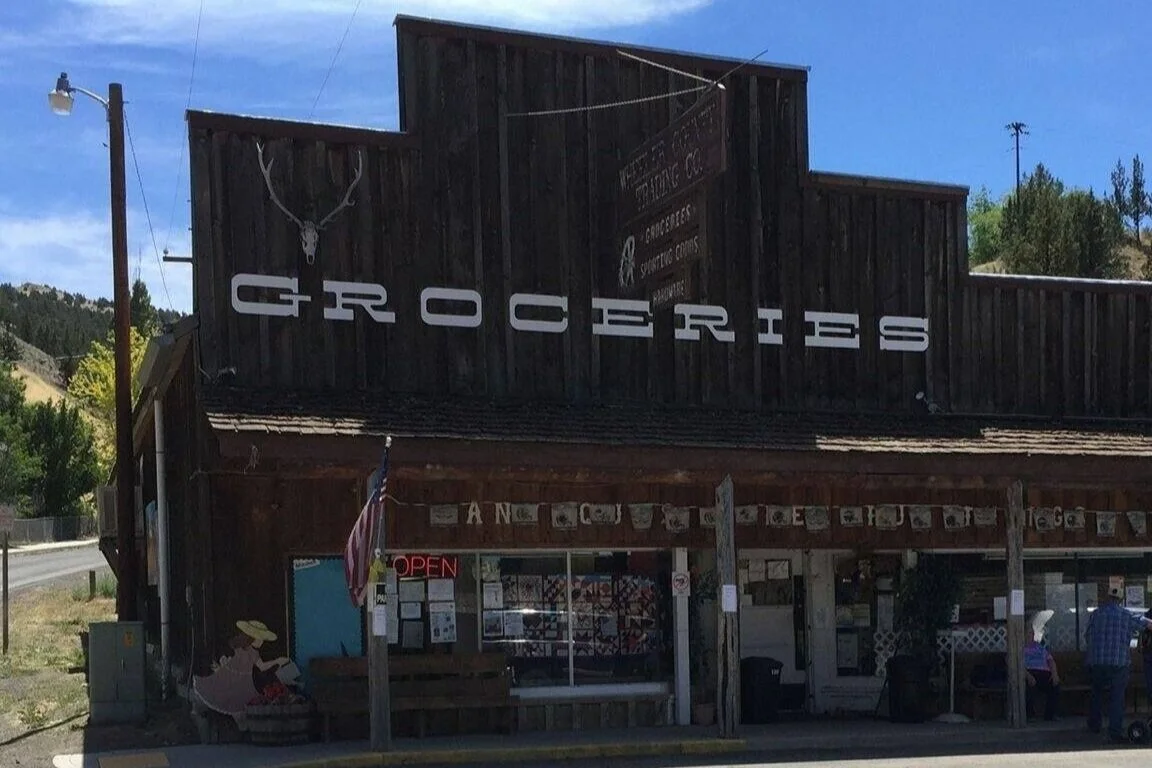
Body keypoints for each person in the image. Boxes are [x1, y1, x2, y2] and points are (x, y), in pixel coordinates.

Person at [1084, 587, 1152, 742]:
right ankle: (1114, 732)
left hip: (1097, 661)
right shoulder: (1126, 615)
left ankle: (1094, 725)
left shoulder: (1096, 614)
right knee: (1117, 698)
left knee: (1097, 694)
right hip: (1118, 661)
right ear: (1121, 600)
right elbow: (1147, 624)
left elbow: (1087, 636)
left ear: (1107, 599)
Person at [1024, 633, 1060, 721]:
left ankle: (1050, 715)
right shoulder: (1019, 648)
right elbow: (1016, 664)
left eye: (1032, 632)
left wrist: (1054, 674)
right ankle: (1030, 715)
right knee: (1027, 685)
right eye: (1028, 632)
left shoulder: (1039, 647)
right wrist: (1027, 675)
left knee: (1054, 683)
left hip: (1044, 672)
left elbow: (1050, 660)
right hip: (1029, 672)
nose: (1031, 635)